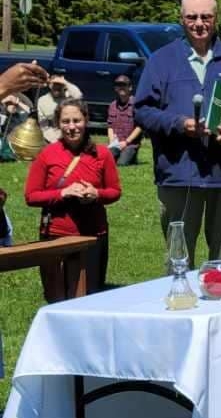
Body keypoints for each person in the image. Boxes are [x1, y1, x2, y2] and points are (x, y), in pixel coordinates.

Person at [134, 0, 221, 267]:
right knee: (178, 260)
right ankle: (180, 306)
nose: (199, 23)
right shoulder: (162, 61)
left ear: (216, 19)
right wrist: (179, 124)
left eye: (206, 17)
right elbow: (143, 111)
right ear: (181, 20)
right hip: (179, 175)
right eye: (191, 17)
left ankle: (220, 305)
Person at [24, 98, 121, 302]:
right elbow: (31, 196)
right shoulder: (47, 154)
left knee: (91, 298)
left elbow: (114, 191)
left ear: (86, 120)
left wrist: (96, 194)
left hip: (92, 235)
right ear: (58, 124)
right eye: (65, 121)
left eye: (76, 120)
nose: (71, 127)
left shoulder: (102, 154)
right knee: (57, 298)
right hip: (56, 236)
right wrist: (63, 193)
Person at [107, 75, 142, 166]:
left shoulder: (136, 104)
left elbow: (140, 127)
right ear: (115, 88)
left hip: (130, 144)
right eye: (118, 85)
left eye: (124, 85)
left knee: (121, 163)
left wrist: (126, 142)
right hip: (116, 143)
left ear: (130, 87)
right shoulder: (112, 105)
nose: (121, 87)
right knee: (107, 160)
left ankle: (132, 156)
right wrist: (112, 142)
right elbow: (110, 126)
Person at [37, 75, 82, 143]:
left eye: (59, 85)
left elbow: (79, 95)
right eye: (54, 85)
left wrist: (65, 82)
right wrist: (53, 139)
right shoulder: (42, 100)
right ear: (50, 85)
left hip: (70, 132)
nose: (57, 87)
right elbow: (43, 124)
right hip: (51, 136)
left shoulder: (69, 98)